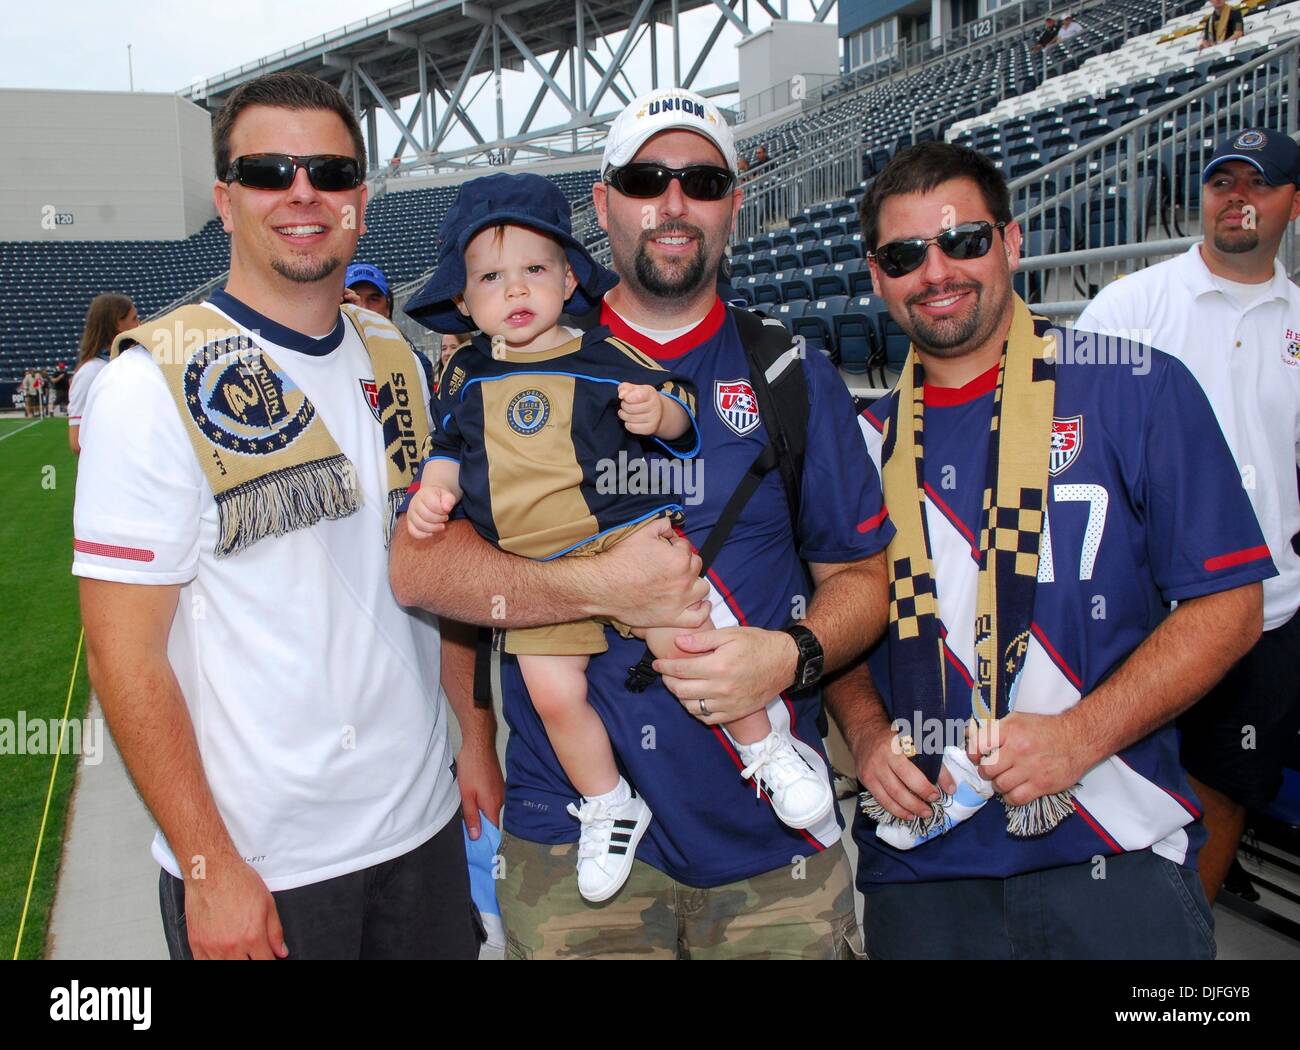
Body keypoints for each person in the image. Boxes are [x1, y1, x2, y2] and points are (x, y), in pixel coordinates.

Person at [391, 87, 893, 959]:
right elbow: (425, 571)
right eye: (644, 176)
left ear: (734, 201)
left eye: (701, 180)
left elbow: (860, 579)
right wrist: (477, 736)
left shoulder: (789, 369)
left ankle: (764, 750)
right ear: (602, 202)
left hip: (771, 851)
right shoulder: (509, 357)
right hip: (568, 839)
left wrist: (789, 656)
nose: (672, 201)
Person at [73, 70, 500, 960]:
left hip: (419, 834)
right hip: (264, 866)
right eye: (270, 171)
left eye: (330, 172)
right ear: (226, 201)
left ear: (361, 202)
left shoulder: (398, 358)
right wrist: (205, 865)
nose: (303, 192)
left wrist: (470, 733)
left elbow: (436, 571)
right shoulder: (149, 383)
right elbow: (123, 653)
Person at [828, 141, 1274, 960]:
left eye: (964, 240)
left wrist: (1080, 735)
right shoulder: (858, 442)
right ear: (876, 274)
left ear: (1013, 241)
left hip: (1117, 845)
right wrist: (861, 734)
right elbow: (836, 627)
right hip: (921, 869)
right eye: (904, 255)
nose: (937, 271)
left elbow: (1232, 605)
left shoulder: (1138, 384)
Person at [1075, 128, 1300, 906]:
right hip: (1143, 609)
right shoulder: (1132, 305)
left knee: (1228, 788)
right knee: (1110, 782)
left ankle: (1181, 948)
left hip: (1267, 609)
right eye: (1221, 182)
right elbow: (1071, 448)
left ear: (1292, 203)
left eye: (1258, 184)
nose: (1237, 199)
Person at [68, 293, 137, 454]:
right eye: (134, 319)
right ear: (118, 323)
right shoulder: (90, 372)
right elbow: (76, 441)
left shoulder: (126, 362)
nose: (139, 325)